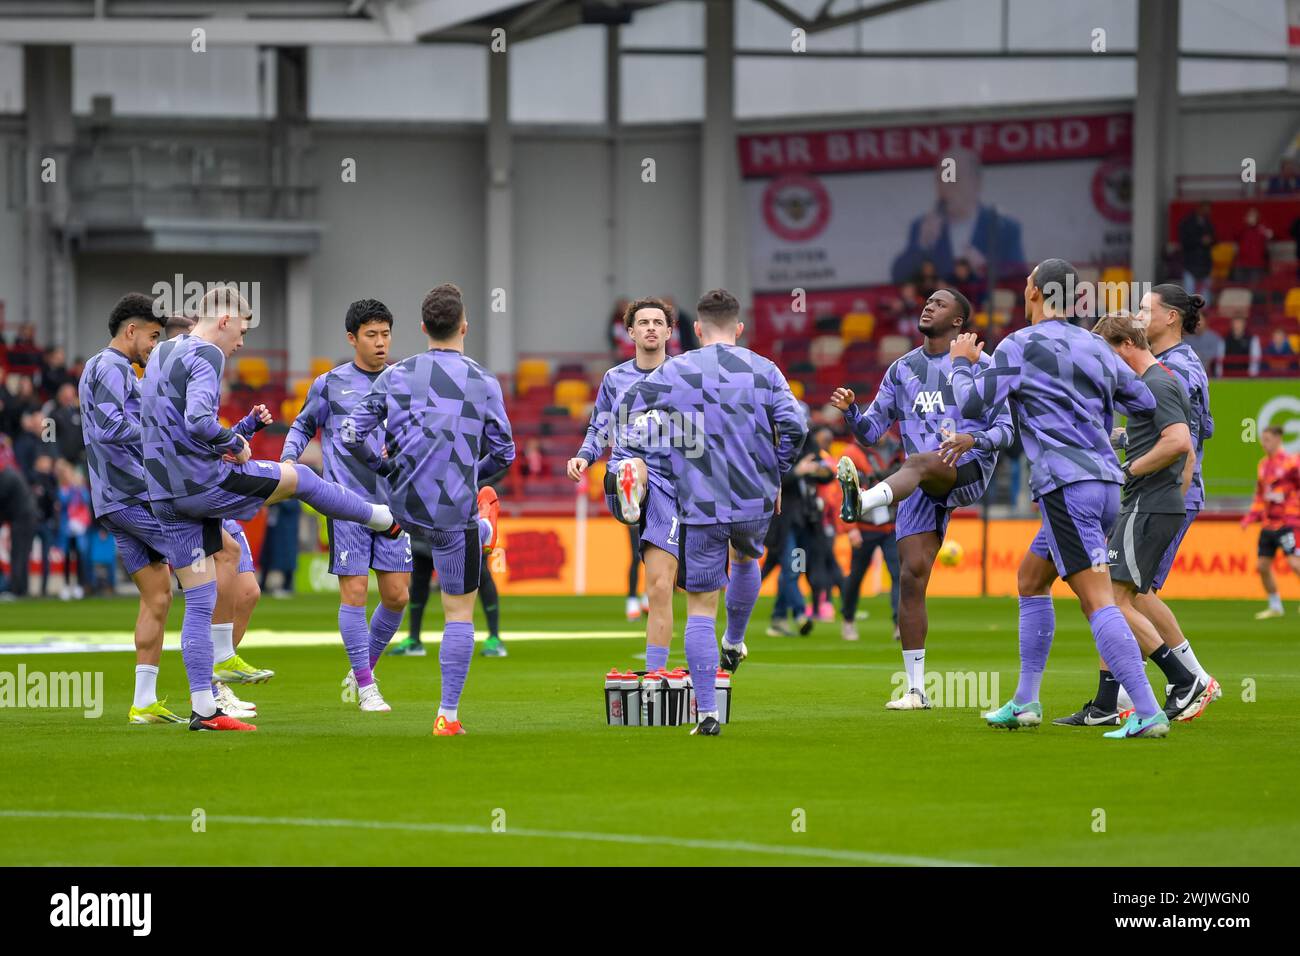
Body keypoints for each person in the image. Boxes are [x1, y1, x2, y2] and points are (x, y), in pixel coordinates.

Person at [143, 286, 401, 732]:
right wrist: (236, 442)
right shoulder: (208, 354)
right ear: (223, 321)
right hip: (203, 482)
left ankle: (204, 709)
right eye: (241, 330)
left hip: (162, 492)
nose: (241, 342)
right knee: (299, 478)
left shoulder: (165, 351)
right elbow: (199, 422)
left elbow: (163, 419)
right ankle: (377, 516)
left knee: (200, 599)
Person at [947, 258, 1169, 740]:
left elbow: (970, 404)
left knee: (1098, 601)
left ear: (1035, 293)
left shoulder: (1019, 346)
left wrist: (961, 363)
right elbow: (1145, 403)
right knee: (1030, 578)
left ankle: (1149, 711)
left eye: (1026, 284)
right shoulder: (1095, 345)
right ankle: (1026, 701)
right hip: (1107, 483)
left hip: (1067, 487)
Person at [618, 289, 807, 736]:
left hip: (698, 501)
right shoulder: (765, 369)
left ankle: (706, 713)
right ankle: (736, 640)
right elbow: (797, 424)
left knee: (701, 608)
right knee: (746, 558)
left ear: (696, 329)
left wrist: (648, 455)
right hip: (752, 498)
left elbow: (628, 413)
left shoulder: (675, 370)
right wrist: (775, 471)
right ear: (738, 329)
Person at [343, 283, 514, 736]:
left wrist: (383, 466)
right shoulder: (482, 381)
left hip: (398, 507)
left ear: (421, 328)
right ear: (464, 326)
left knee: (394, 588)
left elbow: (348, 434)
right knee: (459, 613)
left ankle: (363, 674)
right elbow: (506, 453)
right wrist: (472, 474)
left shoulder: (395, 375)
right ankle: (448, 716)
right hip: (452, 513)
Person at [832, 288, 1013, 709]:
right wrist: (851, 412)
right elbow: (871, 433)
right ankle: (915, 690)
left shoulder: (983, 366)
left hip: (965, 468)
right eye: (927, 301)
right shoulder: (902, 369)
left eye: (940, 303)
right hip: (915, 482)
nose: (929, 306)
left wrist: (973, 439)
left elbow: (1007, 430)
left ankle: (863, 501)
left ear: (958, 322)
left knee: (919, 460)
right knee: (912, 578)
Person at [1053, 312, 1209, 727]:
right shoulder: (1151, 386)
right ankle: (1109, 702)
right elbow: (1180, 450)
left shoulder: (1160, 381)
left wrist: (1131, 473)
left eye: (1106, 356)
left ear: (1124, 345)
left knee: (1115, 603)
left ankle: (1184, 679)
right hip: (1149, 504)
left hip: (1147, 505)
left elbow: (1179, 443)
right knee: (1113, 600)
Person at [282, 298, 412, 714]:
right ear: (352, 338)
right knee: (355, 593)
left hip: (393, 505)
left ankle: (361, 669)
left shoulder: (404, 381)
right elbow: (304, 423)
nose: (380, 342)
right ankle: (367, 686)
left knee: (396, 597)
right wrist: (288, 460)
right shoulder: (330, 384)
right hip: (347, 504)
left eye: (386, 334)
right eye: (371, 335)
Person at [1105, 285, 1220, 718]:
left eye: (1143, 308)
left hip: (1167, 494)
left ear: (1170, 317)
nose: (1136, 316)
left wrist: (1169, 487)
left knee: (1131, 592)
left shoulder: (1174, 370)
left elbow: (1183, 440)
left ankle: (1191, 679)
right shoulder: (1169, 365)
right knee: (1131, 590)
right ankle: (1125, 692)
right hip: (1161, 491)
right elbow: (1153, 434)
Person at [79, 293, 184, 721]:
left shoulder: (103, 367)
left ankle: (143, 703)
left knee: (158, 593)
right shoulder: (111, 367)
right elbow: (108, 429)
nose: (154, 347)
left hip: (115, 497)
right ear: (131, 330)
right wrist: (160, 431)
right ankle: (214, 683)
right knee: (211, 556)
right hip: (131, 495)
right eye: (153, 337)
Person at [566, 298, 676, 665]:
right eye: (642, 322)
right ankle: (632, 486)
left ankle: (655, 674)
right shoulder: (615, 379)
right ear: (630, 332)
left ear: (669, 331)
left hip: (670, 488)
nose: (650, 328)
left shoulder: (686, 377)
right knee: (635, 465)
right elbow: (599, 426)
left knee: (661, 587)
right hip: (622, 474)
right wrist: (584, 455)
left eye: (657, 322)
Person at [890, 147, 1024, 284]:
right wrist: (921, 246)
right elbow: (899, 277)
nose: (946, 188)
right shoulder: (922, 227)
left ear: (976, 183)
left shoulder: (1003, 228)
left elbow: (1018, 278)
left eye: (954, 179)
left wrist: (984, 269)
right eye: (941, 180)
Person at [835, 435, 903, 642]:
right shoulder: (851, 453)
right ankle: (848, 620)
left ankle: (900, 624)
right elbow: (842, 492)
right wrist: (851, 528)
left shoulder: (899, 448)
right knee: (855, 577)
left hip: (891, 525)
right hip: (864, 526)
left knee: (899, 574)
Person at [1243, 426, 1300, 619]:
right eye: (1262, 439)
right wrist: (1251, 516)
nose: (1263, 443)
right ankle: (1276, 606)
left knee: (1294, 563)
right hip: (1268, 524)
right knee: (1262, 566)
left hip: (1287, 522)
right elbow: (1260, 494)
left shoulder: (1292, 462)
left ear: (1278, 439)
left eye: (1267, 439)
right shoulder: (1263, 464)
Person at [1178, 201, 1215, 299]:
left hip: (1205, 264)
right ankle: (1190, 313)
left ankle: (1204, 313)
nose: (1207, 211)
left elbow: (1215, 240)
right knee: (1189, 293)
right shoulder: (1187, 223)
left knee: (1205, 296)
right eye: (1205, 209)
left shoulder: (1208, 223)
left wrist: (1210, 241)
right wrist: (1200, 241)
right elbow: (1184, 241)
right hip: (1190, 263)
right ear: (1199, 208)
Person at [1233, 207, 1272, 285]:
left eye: (1253, 216)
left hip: (1256, 264)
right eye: (1249, 216)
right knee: (1240, 289)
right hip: (1242, 263)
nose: (1251, 218)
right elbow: (1235, 235)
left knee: (1255, 289)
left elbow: (1270, 235)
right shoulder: (1242, 228)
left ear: (1258, 217)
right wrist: (1245, 224)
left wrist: (1260, 227)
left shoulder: (1262, 228)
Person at [1182, 311, 1224, 377]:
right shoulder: (1187, 338)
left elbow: (1215, 356)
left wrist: (1199, 355)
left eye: (1200, 320)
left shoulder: (1214, 338)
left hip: (1210, 374)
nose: (1198, 322)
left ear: (1206, 321)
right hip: (1190, 374)